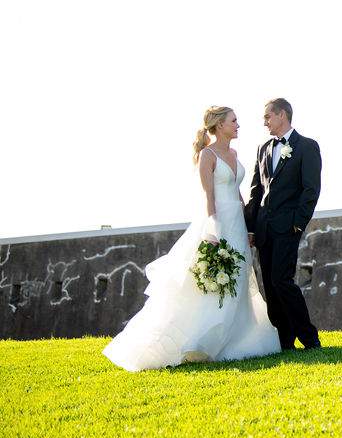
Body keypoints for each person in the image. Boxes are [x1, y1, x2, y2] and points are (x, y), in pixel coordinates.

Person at [103, 106, 281, 371]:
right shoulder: (207, 156)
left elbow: (238, 193)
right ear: (220, 125)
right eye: (234, 121)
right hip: (218, 223)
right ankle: (204, 340)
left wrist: (248, 226)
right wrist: (213, 232)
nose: (238, 124)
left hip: (238, 225)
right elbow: (209, 198)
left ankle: (237, 338)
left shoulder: (234, 153)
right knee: (215, 283)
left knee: (240, 278)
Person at [244, 98, 322, 350]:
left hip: (288, 227)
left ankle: (309, 337)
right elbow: (256, 190)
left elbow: (311, 190)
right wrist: (251, 227)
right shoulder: (263, 148)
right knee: (270, 283)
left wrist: (297, 224)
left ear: (282, 115)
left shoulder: (307, 147)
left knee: (281, 280)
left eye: (267, 116)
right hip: (265, 228)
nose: (264, 121)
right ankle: (284, 341)